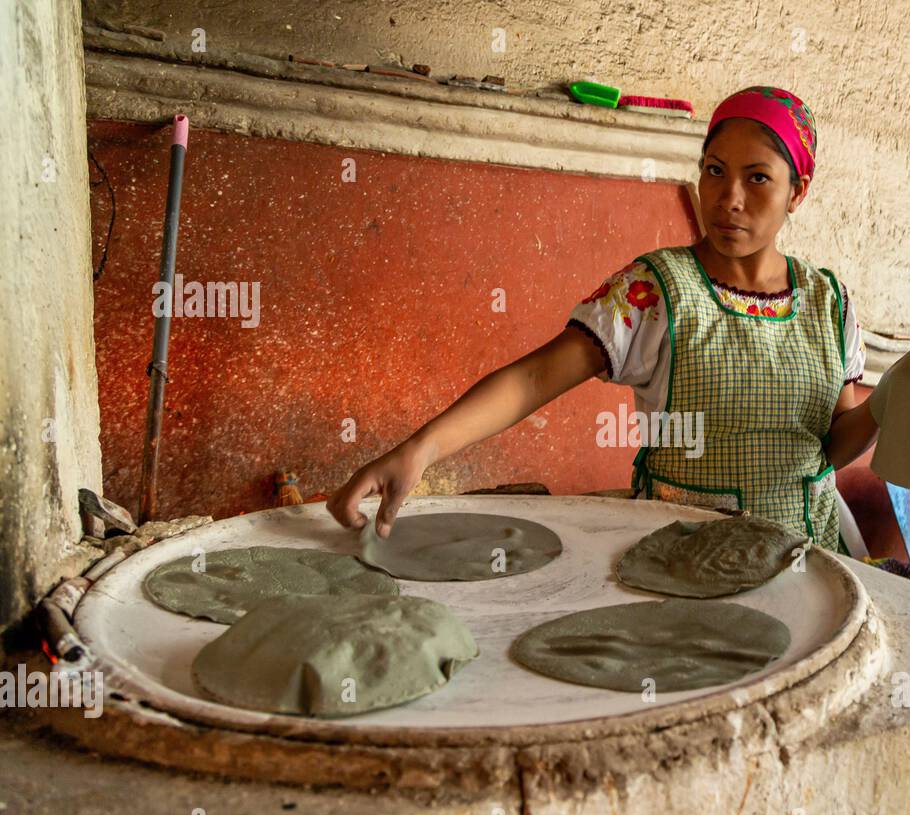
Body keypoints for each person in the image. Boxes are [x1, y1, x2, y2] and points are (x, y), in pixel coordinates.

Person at [328, 86, 882, 552]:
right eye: (715, 171)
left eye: (757, 178)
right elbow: (534, 378)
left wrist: (894, 402)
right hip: (682, 564)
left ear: (798, 192)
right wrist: (420, 449)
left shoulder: (828, 303)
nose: (728, 198)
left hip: (805, 562)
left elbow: (830, 443)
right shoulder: (655, 291)